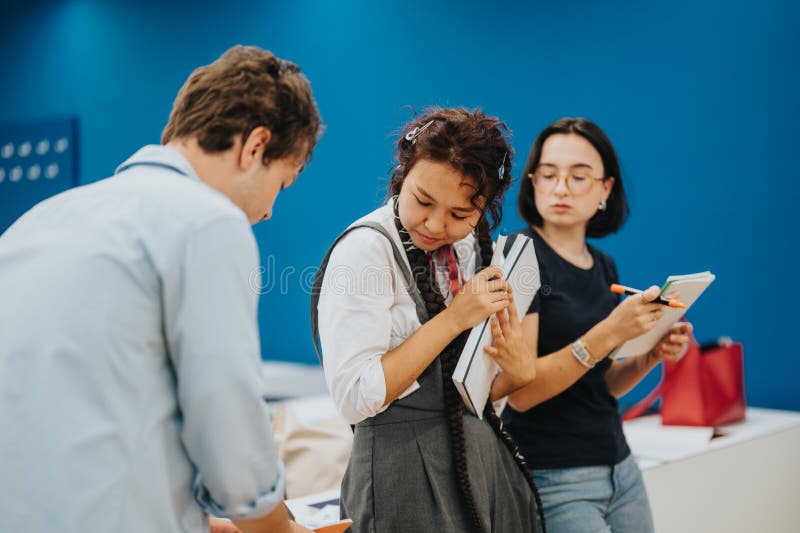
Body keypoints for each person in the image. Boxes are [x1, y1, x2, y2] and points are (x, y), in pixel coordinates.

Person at [0, 45, 321, 533]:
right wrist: (277, 529)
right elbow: (230, 436)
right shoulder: (208, 223)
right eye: (282, 183)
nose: (269, 211)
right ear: (255, 146)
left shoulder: (33, 224)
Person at [312, 108, 545, 533]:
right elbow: (356, 396)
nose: (436, 225)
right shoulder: (366, 251)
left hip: (483, 468)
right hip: (401, 477)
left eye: (460, 214)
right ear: (402, 175)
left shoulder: (473, 248)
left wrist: (515, 371)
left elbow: (468, 393)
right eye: (422, 201)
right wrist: (454, 319)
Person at [504, 117, 693, 533]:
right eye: (548, 175)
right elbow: (521, 393)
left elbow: (600, 385)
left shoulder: (603, 265)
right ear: (532, 182)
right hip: (552, 476)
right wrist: (610, 331)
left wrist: (648, 355)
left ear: (605, 188)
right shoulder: (520, 255)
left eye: (578, 177)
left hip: (620, 468)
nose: (560, 188)